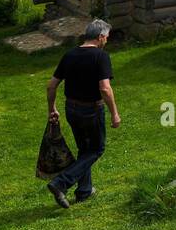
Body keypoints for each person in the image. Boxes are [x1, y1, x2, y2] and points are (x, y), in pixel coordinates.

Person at [45, 18, 121, 209]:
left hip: (71, 109)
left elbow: (51, 85)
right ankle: (61, 183)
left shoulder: (69, 54)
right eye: (107, 38)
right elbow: (105, 89)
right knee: (96, 149)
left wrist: (52, 109)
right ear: (101, 37)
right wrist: (114, 114)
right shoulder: (100, 56)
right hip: (91, 110)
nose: (107, 41)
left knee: (84, 150)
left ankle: (84, 192)